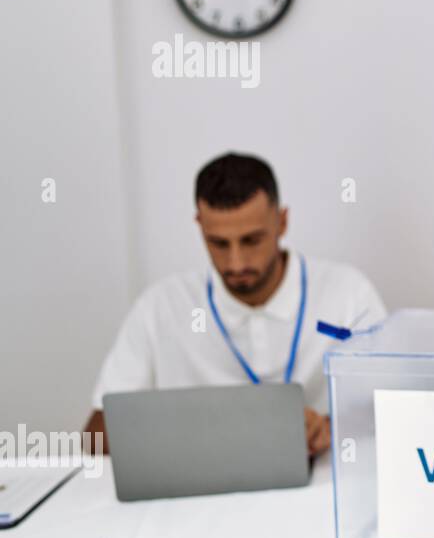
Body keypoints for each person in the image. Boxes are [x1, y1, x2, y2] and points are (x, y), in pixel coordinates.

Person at [84, 152, 386, 459]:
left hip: (315, 494)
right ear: (199, 225)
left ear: (282, 222)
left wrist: (329, 427)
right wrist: (200, 435)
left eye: (252, 240)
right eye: (219, 243)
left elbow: (394, 408)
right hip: (200, 497)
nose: (236, 262)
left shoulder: (348, 295)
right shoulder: (160, 307)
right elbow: (95, 438)